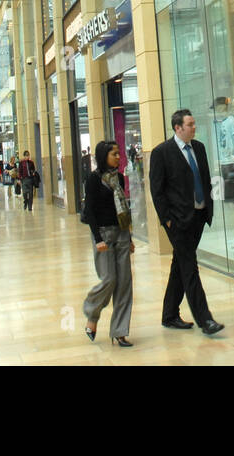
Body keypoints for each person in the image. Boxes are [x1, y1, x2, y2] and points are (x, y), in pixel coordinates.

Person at [149, 109, 224, 336]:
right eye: (190, 124)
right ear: (178, 128)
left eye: (193, 124)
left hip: (198, 217)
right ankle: (205, 320)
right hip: (177, 222)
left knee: (180, 264)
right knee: (190, 267)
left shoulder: (199, 148)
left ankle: (169, 314)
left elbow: (205, 178)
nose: (194, 127)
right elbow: (157, 190)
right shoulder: (162, 152)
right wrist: (167, 220)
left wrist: (208, 208)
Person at [81, 140, 135, 347]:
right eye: (114, 154)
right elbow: (90, 211)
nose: (118, 157)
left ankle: (120, 331)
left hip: (121, 233)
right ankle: (92, 312)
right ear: (104, 156)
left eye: (119, 153)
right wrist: (98, 239)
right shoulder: (93, 179)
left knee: (124, 283)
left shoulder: (119, 177)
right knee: (109, 279)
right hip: (103, 234)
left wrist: (129, 238)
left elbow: (122, 210)